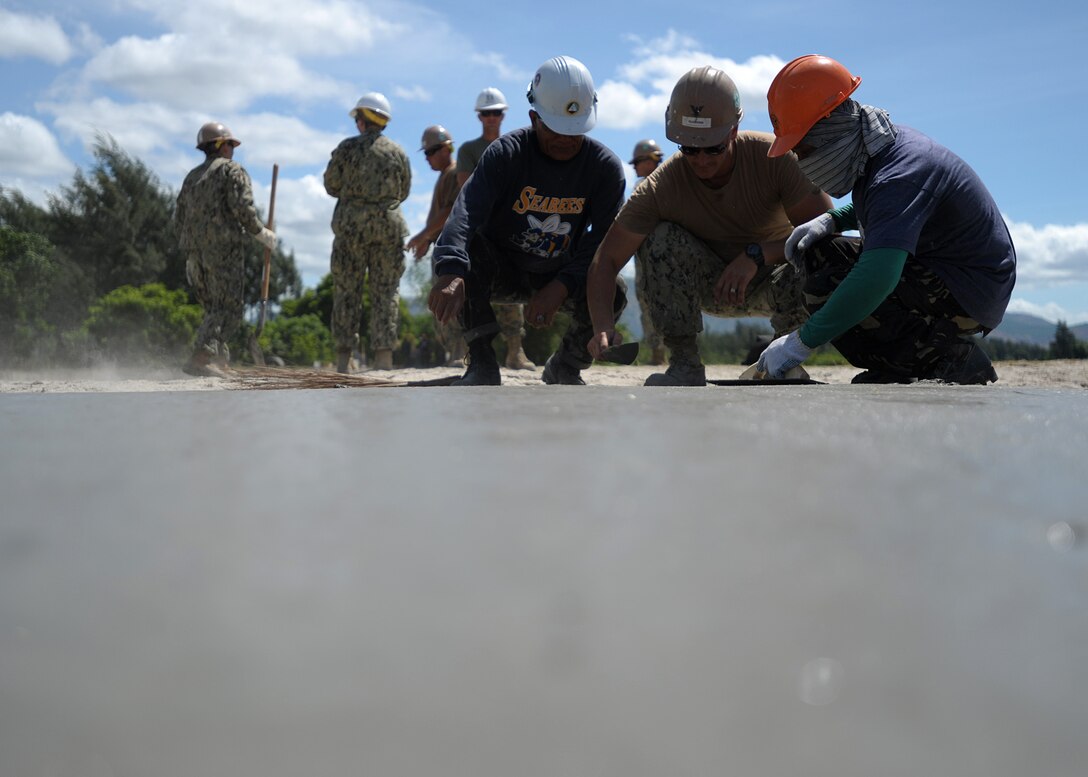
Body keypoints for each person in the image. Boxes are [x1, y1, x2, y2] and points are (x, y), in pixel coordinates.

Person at [756, 54, 1016, 384]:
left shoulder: (899, 173)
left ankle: (948, 361)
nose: (801, 161)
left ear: (831, 129)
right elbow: (888, 210)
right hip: (945, 272)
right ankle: (904, 364)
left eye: (803, 150)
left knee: (833, 277)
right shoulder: (879, 148)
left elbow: (878, 278)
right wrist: (833, 220)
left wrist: (799, 343)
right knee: (822, 253)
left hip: (969, 291)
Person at [586, 66, 833, 386]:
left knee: (821, 257)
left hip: (773, 280)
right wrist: (603, 326)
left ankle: (782, 361)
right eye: (689, 149)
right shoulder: (661, 185)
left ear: (734, 131)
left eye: (713, 148)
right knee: (657, 238)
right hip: (708, 285)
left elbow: (826, 232)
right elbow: (606, 260)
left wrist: (758, 254)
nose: (701, 160)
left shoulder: (775, 159)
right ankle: (684, 363)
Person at [429, 55, 627, 386]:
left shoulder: (604, 169)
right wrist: (450, 270)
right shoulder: (506, 153)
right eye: (556, 130)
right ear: (534, 118)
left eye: (574, 132)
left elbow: (602, 244)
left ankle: (566, 365)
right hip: (501, 268)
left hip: (557, 271)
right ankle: (482, 363)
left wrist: (561, 285)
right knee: (467, 253)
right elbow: (465, 214)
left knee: (616, 291)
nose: (566, 140)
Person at [176, 121, 277, 378]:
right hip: (223, 251)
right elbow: (242, 208)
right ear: (222, 146)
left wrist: (191, 247)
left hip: (194, 253)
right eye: (230, 145)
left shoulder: (192, 177)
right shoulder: (231, 171)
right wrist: (260, 233)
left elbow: (178, 218)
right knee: (227, 308)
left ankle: (220, 362)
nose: (232, 150)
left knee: (212, 308)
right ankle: (201, 358)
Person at [324, 92, 411, 373]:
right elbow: (404, 191)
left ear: (362, 120)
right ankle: (384, 359)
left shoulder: (346, 149)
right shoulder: (397, 152)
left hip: (351, 228)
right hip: (388, 227)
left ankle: (343, 358)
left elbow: (331, 185)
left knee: (347, 290)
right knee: (386, 292)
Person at [455, 87, 536, 371]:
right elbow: (465, 189)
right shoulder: (467, 151)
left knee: (513, 297)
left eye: (496, 113)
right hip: (480, 229)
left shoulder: (514, 147)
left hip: (508, 228)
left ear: (503, 115)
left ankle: (516, 352)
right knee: (472, 288)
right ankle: (474, 351)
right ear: (479, 116)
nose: (491, 118)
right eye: (486, 113)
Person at [405, 124, 466, 367]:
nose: (428, 158)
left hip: (451, 251)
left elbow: (450, 211)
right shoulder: (444, 176)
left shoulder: (454, 173)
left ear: (445, 149)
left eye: (430, 152)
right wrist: (428, 240)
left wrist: (422, 236)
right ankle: (455, 353)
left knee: (451, 301)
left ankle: (460, 354)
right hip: (442, 248)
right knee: (442, 305)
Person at [628, 139, 667, 365]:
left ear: (650, 160)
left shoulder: (669, 182)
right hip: (644, 257)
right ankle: (657, 353)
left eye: (637, 162)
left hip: (663, 257)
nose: (634, 167)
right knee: (646, 303)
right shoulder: (640, 187)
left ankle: (675, 351)